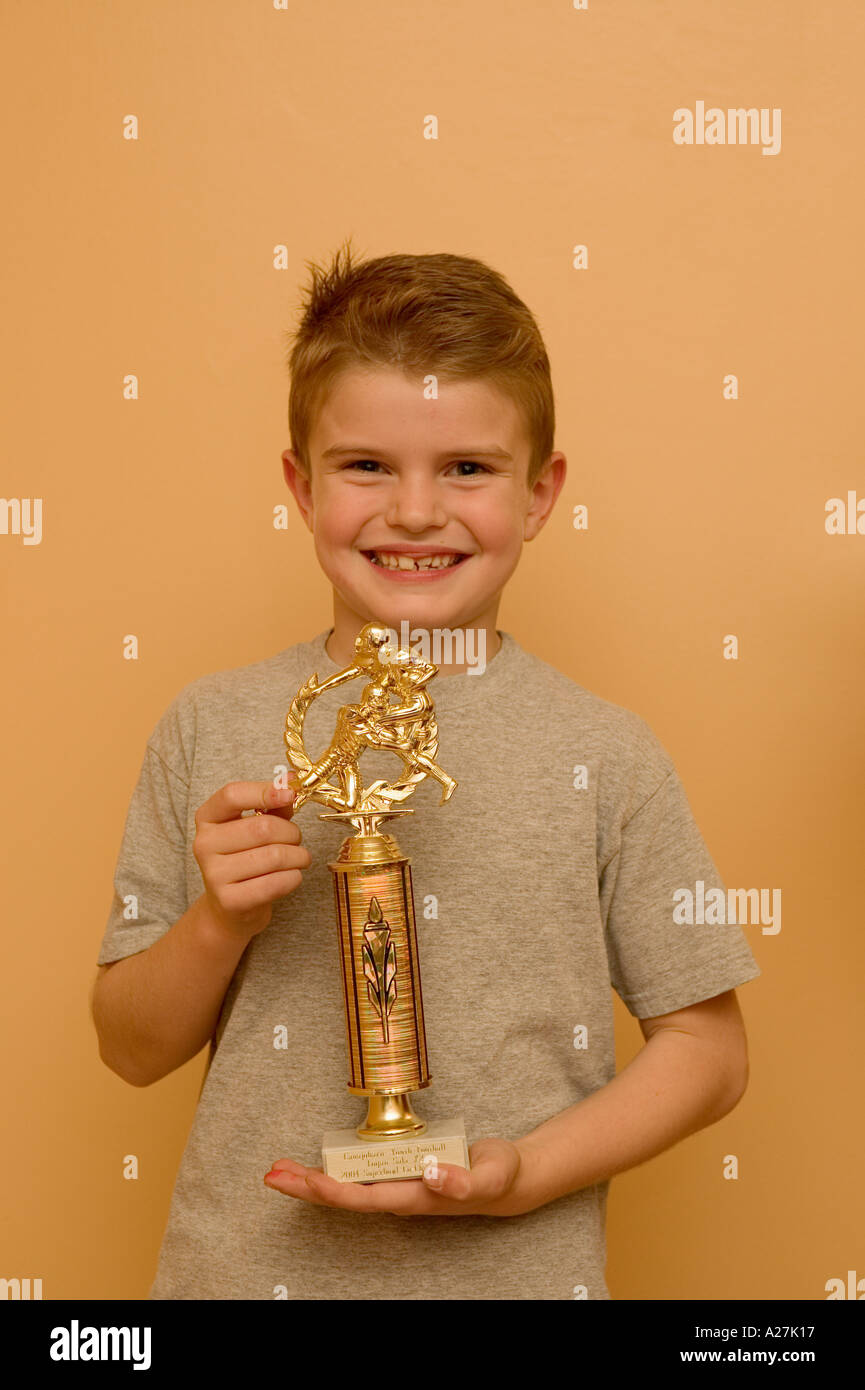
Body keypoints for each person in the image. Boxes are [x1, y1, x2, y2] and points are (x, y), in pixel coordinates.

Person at [91, 242, 760, 1300]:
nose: (413, 511)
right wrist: (216, 921)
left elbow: (709, 1053)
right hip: (240, 1278)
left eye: (466, 468)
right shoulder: (207, 726)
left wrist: (523, 1171)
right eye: (365, 465)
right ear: (298, 486)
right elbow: (130, 1048)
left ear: (540, 494)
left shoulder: (607, 754)